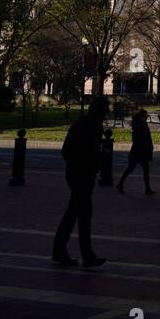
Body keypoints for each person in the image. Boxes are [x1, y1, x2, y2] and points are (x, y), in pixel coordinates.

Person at [52, 96, 109, 268]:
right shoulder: (91, 126)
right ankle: (67, 251)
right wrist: (92, 161)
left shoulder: (83, 124)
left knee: (81, 213)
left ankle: (81, 253)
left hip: (79, 173)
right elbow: (73, 151)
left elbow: (68, 151)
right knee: (77, 214)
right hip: (82, 174)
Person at [117, 108, 154, 195]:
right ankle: (147, 189)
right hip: (140, 151)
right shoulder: (140, 126)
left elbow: (147, 138)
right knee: (140, 170)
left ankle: (121, 184)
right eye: (145, 116)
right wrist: (147, 148)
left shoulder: (140, 125)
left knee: (133, 169)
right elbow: (142, 139)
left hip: (138, 151)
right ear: (141, 117)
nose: (146, 118)